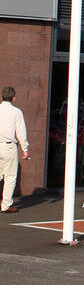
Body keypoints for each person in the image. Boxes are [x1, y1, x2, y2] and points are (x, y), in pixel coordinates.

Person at [0, 85, 28, 214]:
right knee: (10, 177)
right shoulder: (16, 112)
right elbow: (21, 132)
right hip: (8, 146)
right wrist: (25, 149)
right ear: (13, 98)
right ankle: (6, 205)